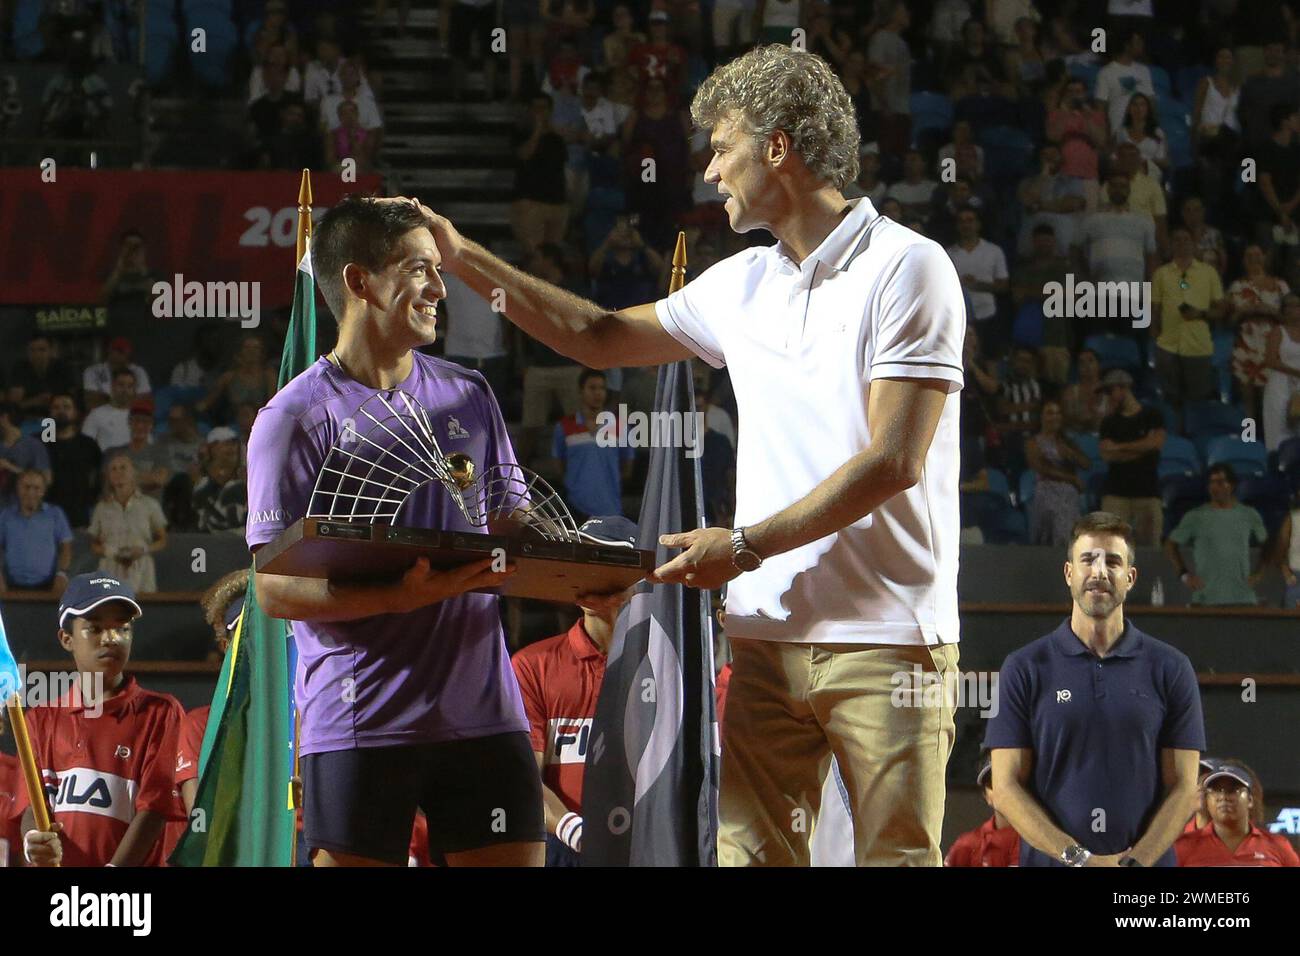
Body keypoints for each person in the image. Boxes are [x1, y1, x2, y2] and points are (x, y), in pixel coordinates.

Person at [419, 43, 965, 866]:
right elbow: (596, 338)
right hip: (763, 637)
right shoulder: (740, 282)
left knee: (896, 861)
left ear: (777, 147)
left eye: (722, 146)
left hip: (887, 638)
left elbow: (893, 461)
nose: (710, 170)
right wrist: (463, 259)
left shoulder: (910, 267)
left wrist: (743, 546)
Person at [246, 196, 542, 867]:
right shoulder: (292, 419)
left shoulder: (470, 393)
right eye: (420, 269)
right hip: (361, 722)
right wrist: (398, 599)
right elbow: (275, 592)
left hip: (485, 714)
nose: (441, 288)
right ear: (359, 281)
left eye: (440, 270)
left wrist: (581, 572)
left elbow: (512, 521)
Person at [987, 512, 1205, 866]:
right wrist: (1078, 859)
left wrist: (1133, 863)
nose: (1099, 572)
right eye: (1088, 559)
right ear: (1069, 573)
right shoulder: (1023, 667)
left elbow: (1183, 789)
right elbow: (1006, 788)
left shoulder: (1172, 668)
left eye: (1113, 562)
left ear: (1130, 578)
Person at [17, 574, 185, 867]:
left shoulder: (161, 712)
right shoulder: (40, 719)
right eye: (95, 628)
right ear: (66, 639)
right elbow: (32, 803)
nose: (111, 638)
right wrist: (33, 841)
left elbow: (154, 810)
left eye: (122, 628)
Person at [510, 515, 637, 866]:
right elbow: (524, 780)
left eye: (607, 561)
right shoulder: (532, 666)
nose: (590, 574)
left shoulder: (664, 664)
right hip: (566, 845)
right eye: (582, 561)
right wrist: (576, 832)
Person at [1164, 464, 1268, 606]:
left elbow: (1267, 544)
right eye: (1211, 483)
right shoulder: (1196, 516)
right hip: (1206, 597)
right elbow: (1170, 544)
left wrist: (1259, 574)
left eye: (1219, 482)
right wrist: (1184, 575)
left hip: (1242, 597)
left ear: (1231, 485)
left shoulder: (1249, 514)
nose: (1214, 487)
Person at [1151, 228, 1227, 408]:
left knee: (1198, 401)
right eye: (1177, 239)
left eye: (1186, 239)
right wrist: (1154, 336)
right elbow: (1154, 308)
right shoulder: (1160, 273)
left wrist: (1200, 313)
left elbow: (1221, 310)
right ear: (1171, 245)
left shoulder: (1209, 272)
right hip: (1168, 344)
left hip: (1197, 345)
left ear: (1193, 244)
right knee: (1170, 400)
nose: (1182, 243)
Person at [1175, 761, 1300, 866]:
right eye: (1215, 790)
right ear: (1207, 800)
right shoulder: (1184, 846)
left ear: (1250, 800)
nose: (1223, 796)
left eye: (1232, 790)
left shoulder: (1278, 845)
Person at [550, 369, 634, 523]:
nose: (598, 393)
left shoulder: (620, 427)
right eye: (592, 388)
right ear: (581, 391)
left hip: (611, 508)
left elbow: (627, 467)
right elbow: (559, 465)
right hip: (574, 509)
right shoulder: (564, 426)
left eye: (602, 388)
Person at [1097, 369, 1166, 545]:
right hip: (1116, 493)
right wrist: (1142, 448)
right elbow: (1107, 455)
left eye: (1110, 392)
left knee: (1150, 549)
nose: (1109, 398)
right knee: (1112, 547)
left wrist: (1120, 447)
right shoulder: (1109, 422)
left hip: (1147, 493)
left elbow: (1155, 443)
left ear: (1123, 389)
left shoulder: (1152, 415)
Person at [88, 453, 168, 594]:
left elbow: (162, 540)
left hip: (141, 566)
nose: (118, 472)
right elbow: (94, 544)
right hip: (110, 567)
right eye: (113, 469)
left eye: (123, 468)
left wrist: (143, 550)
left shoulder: (150, 505)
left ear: (133, 473)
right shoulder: (101, 508)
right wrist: (111, 552)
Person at [1228, 246, 1289, 424]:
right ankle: (1249, 440)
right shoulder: (1237, 286)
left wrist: (1269, 310)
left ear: (1265, 257)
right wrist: (1243, 312)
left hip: (1272, 346)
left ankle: (1269, 441)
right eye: (1249, 256)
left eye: (1257, 255)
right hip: (1246, 345)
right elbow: (1230, 321)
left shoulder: (1281, 285)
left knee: (1268, 398)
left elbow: (1290, 318)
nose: (1254, 259)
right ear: (1244, 261)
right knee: (1248, 400)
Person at [947, 207, 1010, 355]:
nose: (966, 225)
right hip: (958, 317)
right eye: (961, 221)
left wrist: (978, 284)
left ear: (978, 224)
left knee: (990, 359)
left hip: (987, 315)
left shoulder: (994, 251)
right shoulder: (948, 253)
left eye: (970, 220)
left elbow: (1004, 286)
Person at [1026, 400, 1089, 546]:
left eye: (1058, 413)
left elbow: (1086, 464)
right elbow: (1039, 467)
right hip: (1046, 488)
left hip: (1068, 491)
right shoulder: (1033, 442)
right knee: (1054, 508)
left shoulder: (1066, 441)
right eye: (1050, 413)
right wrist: (1071, 478)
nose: (1054, 417)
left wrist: (1070, 453)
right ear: (1041, 417)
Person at [0, 470, 73, 595]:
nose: (30, 492)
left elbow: (66, 547)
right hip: (10, 586)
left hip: (49, 586)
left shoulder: (55, 514)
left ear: (43, 490)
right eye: (26, 487)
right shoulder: (6, 515)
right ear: (18, 488)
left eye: (36, 487)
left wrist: (62, 574)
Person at [944, 752, 1021, 867]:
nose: (1002, 789)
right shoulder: (967, 846)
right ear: (985, 795)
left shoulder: (1040, 841)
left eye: (1008, 779)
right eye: (992, 782)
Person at [45, 393, 101, 529]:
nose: (61, 411)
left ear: (75, 412)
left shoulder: (88, 444)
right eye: (56, 407)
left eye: (66, 407)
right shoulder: (40, 442)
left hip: (79, 516)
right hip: (45, 514)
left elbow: (98, 476)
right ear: (49, 413)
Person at [104, 400, 170, 500]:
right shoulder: (114, 453)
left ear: (152, 424)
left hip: (149, 512)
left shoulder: (161, 452)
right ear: (129, 422)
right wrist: (147, 477)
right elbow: (108, 483)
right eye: (136, 420)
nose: (140, 426)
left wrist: (122, 478)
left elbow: (159, 480)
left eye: (145, 421)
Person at [1093, 30, 1154, 134]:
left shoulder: (1144, 71)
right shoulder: (1106, 73)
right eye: (1138, 42)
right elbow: (1100, 109)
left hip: (1145, 133)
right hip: (1120, 135)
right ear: (1127, 46)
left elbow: (1151, 102)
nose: (1142, 45)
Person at [6, 334, 76, 422]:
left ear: (51, 351)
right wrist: (35, 401)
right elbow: (13, 405)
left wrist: (52, 400)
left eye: (42, 350)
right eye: (32, 350)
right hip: (27, 419)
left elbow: (73, 400)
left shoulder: (63, 368)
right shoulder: (20, 369)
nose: (37, 354)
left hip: (59, 418)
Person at [1262, 291, 1300, 451]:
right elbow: (1270, 360)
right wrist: (1295, 372)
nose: (1296, 309)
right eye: (1291, 305)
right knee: (1278, 430)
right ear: (1284, 310)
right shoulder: (1278, 331)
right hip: (1281, 385)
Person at [0, 401, 51, 509]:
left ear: (4, 418)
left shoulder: (34, 445)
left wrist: (9, 467)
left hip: (23, 511)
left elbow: (46, 479)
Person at [82, 336, 151, 410]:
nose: (122, 355)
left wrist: (106, 398)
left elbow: (145, 401)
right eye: (118, 351)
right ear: (109, 350)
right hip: (100, 416)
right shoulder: (92, 371)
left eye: (124, 352)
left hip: (129, 416)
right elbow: (91, 402)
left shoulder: (138, 371)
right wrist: (129, 398)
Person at [1114, 92, 1168, 183]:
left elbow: (1163, 161)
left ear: (1148, 109)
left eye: (1142, 105)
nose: (1139, 108)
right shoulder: (1121, 132)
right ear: (1129, 109)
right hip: (1127, 177)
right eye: (1135, 105)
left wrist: (1143, 160)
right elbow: (1115, 156)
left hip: (1151, 177)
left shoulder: (1157, 132)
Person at [81, 369, 138, 452]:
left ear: (134, 390)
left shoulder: (140, 416)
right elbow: (84, 446)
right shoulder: (96, 415)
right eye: (121, 385)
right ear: (112, 386)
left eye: (130, 386)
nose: (125, 390)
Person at [1060, 348, 1105, 434]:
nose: (1086, 365)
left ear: (1099, 365)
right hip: (1075, 438)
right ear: (1078, 368)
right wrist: (1079, 421)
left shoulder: (1109, 391)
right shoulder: (1069, 392)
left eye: (1090, 361)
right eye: (1082, 362)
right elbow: (1063, 419)